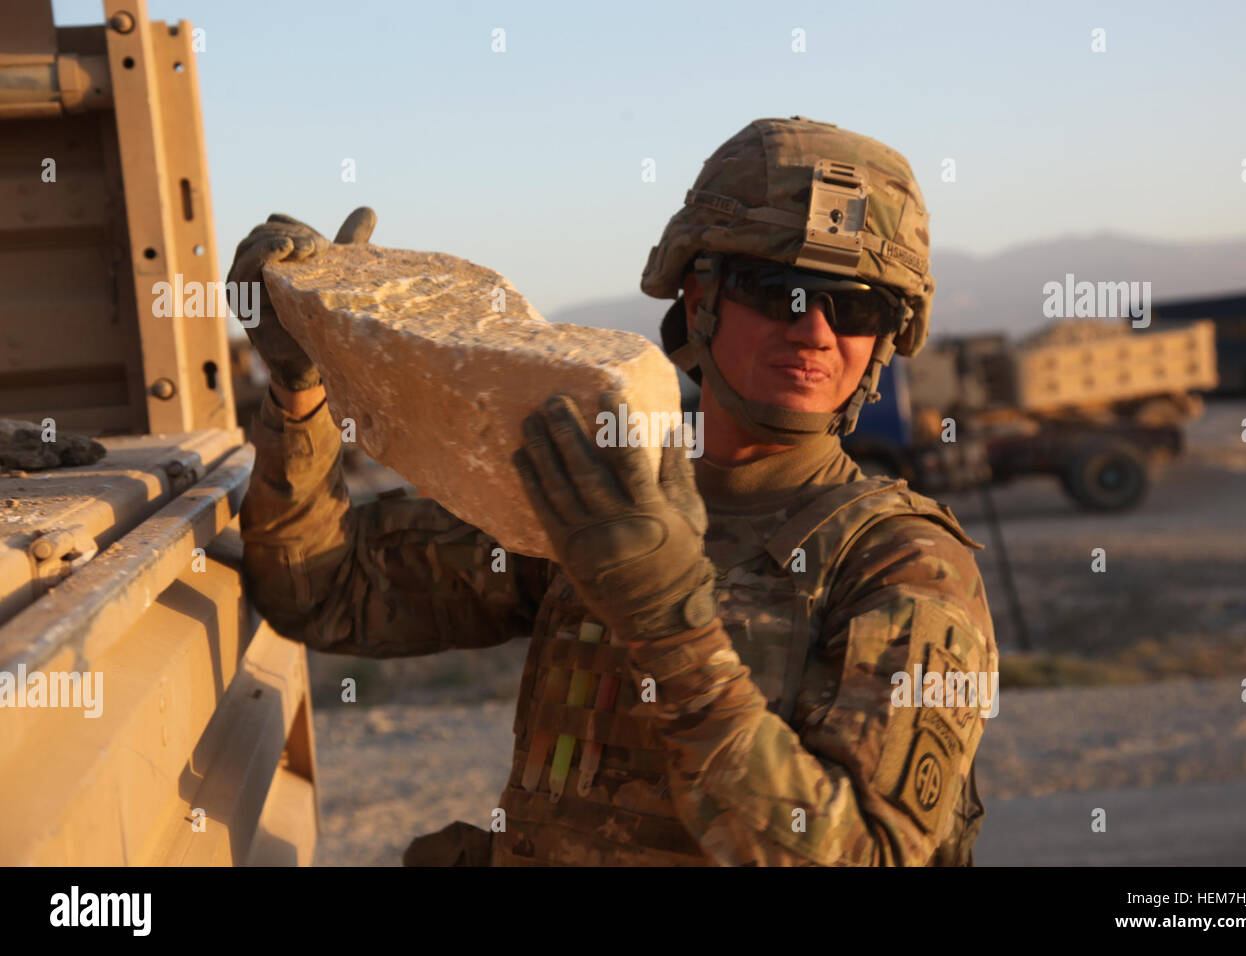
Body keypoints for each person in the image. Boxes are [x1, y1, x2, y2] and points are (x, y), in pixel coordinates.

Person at [232, 116, 998, 866]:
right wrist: (302, 385)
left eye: (858, 306)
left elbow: (865, 854)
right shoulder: (596, 490)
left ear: (883, 342)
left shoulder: (903, 563)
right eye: (780, 291)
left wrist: (669, 624)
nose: (815, 331)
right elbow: (327, 588)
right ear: (701, 301)